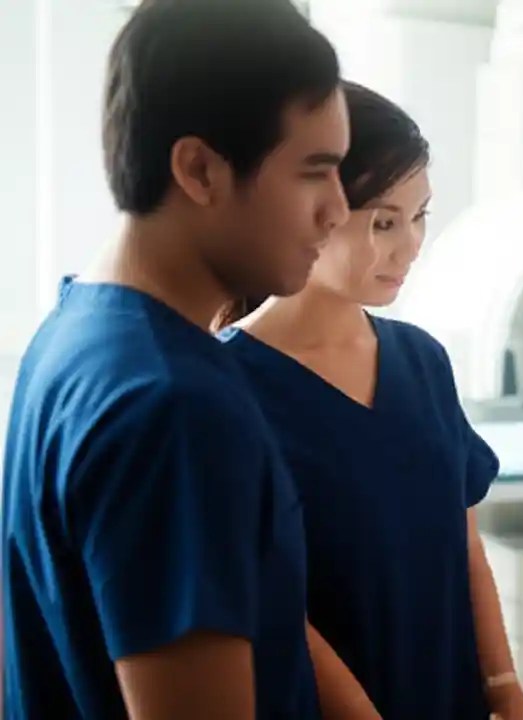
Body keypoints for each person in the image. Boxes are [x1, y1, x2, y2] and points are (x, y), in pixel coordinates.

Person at [1, 0, 349, 718]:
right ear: (199, 169)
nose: (338, 210)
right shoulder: (174, 406)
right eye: (314, 173)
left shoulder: (73, 338)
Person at [216, 80, 523, 720]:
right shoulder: (224, 384)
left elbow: (463, 543)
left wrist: (501, 683)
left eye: (420, 217)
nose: (411, 244)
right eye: (384, 221)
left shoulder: (422, 361)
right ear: (313, 209)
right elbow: (269, 601)